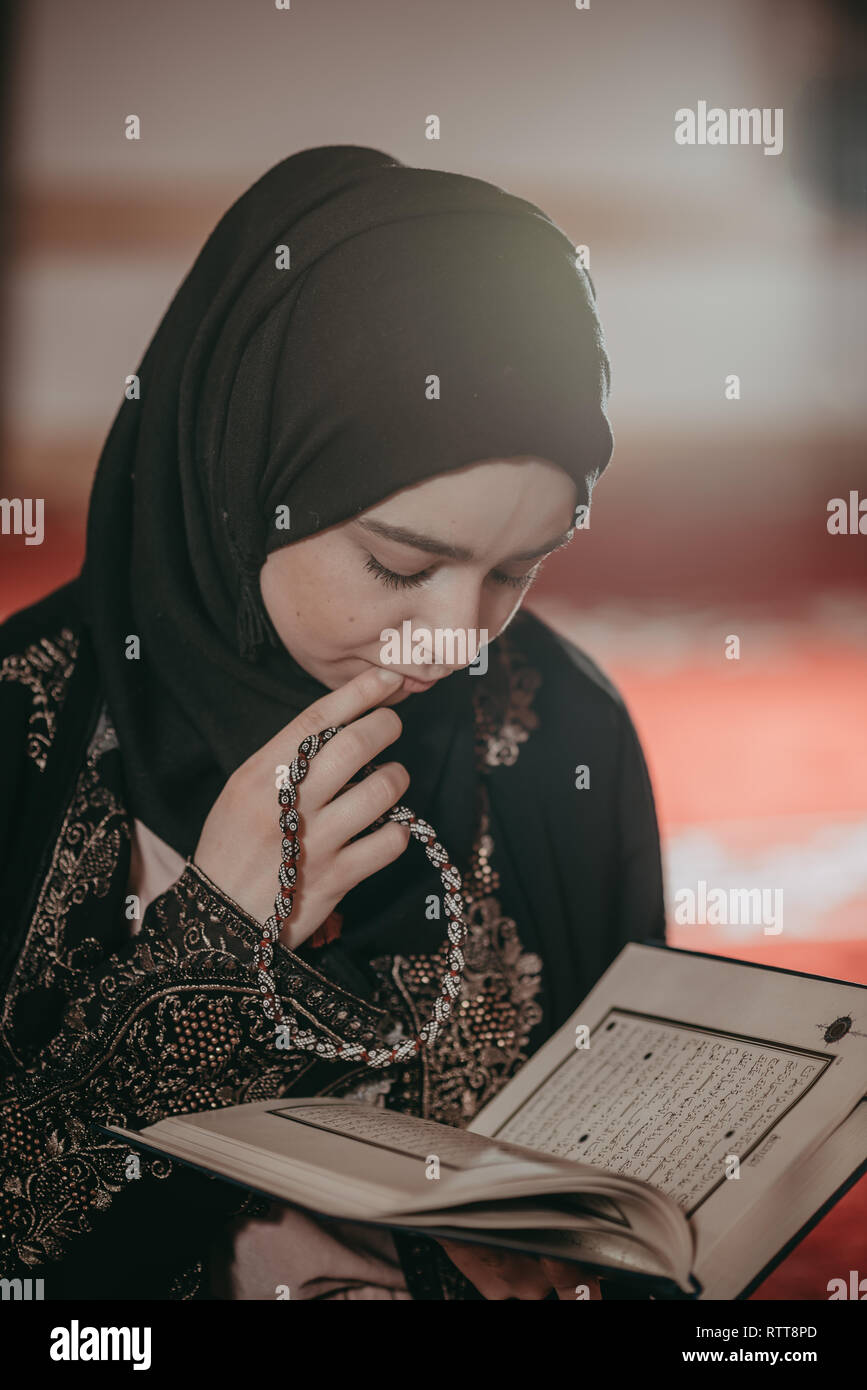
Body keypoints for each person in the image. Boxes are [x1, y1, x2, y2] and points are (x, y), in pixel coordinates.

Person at [0, 144, 665, 1300]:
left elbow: (634, 1174)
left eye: (517, 567)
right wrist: (213, 949)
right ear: (240, 466)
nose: (458, 640)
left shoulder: (560, 729)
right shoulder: (24, 726)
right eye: (400, 563)